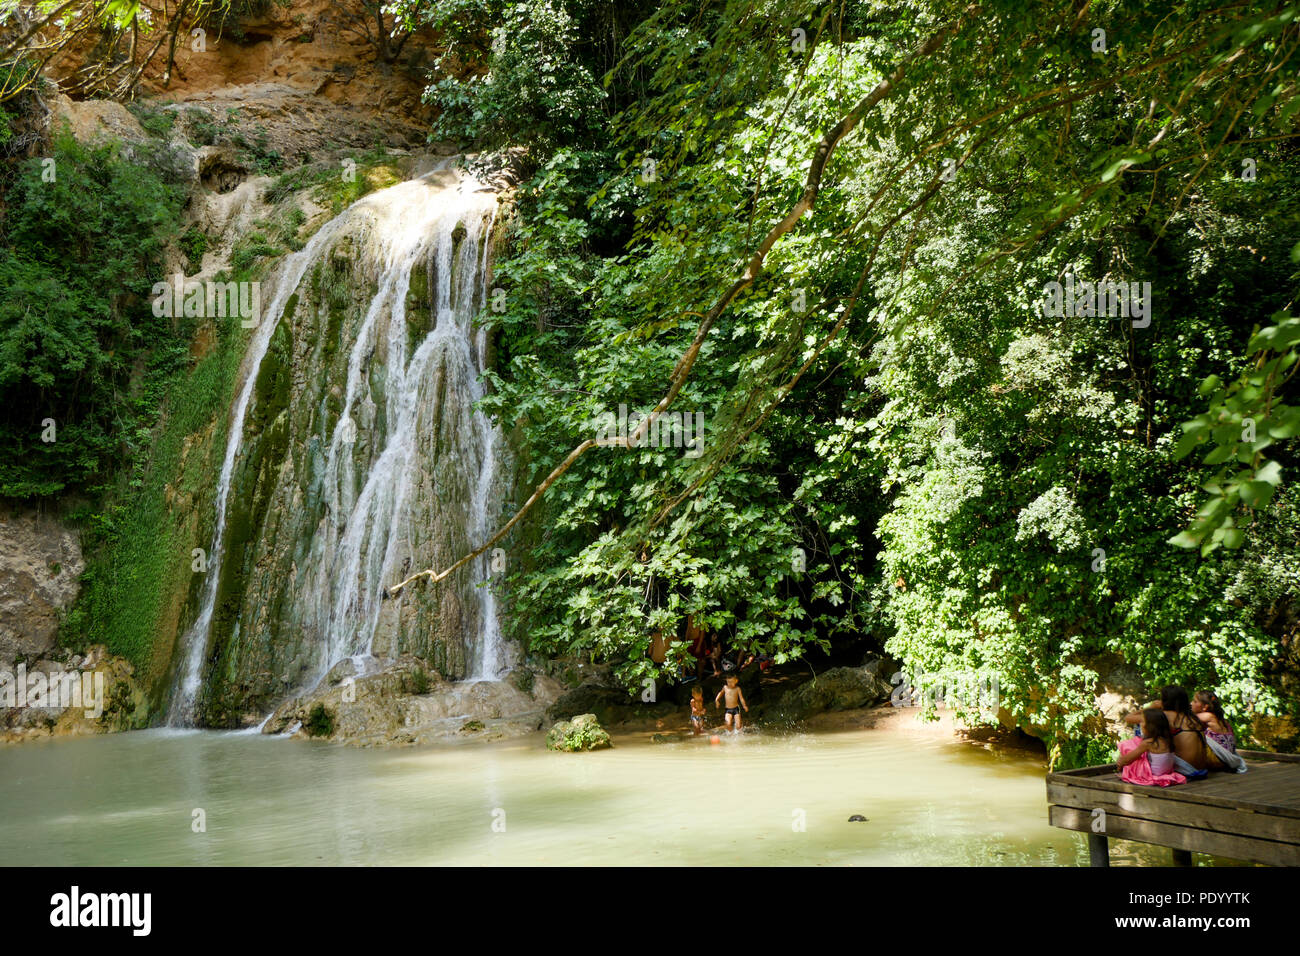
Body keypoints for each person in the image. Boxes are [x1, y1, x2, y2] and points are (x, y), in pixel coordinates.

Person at [1124, 684, 1207, 774]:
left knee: (1138, 740)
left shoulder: (1166, 715)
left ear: (1165, 700)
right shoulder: (1193, 717)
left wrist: (1150, 708)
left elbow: (1128, 718)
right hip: (1201, 768)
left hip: (1186, 769)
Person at [1116, 709, 1176, 775]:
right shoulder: (1167, 739)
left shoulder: (1148, 743)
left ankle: (1123, 772)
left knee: (1126, 745)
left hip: (1154, 774)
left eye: (1142, 722)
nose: (1140, 724)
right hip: (1167, 773)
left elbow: (1127, 760)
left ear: (1149, 726)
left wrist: (1120, 762)